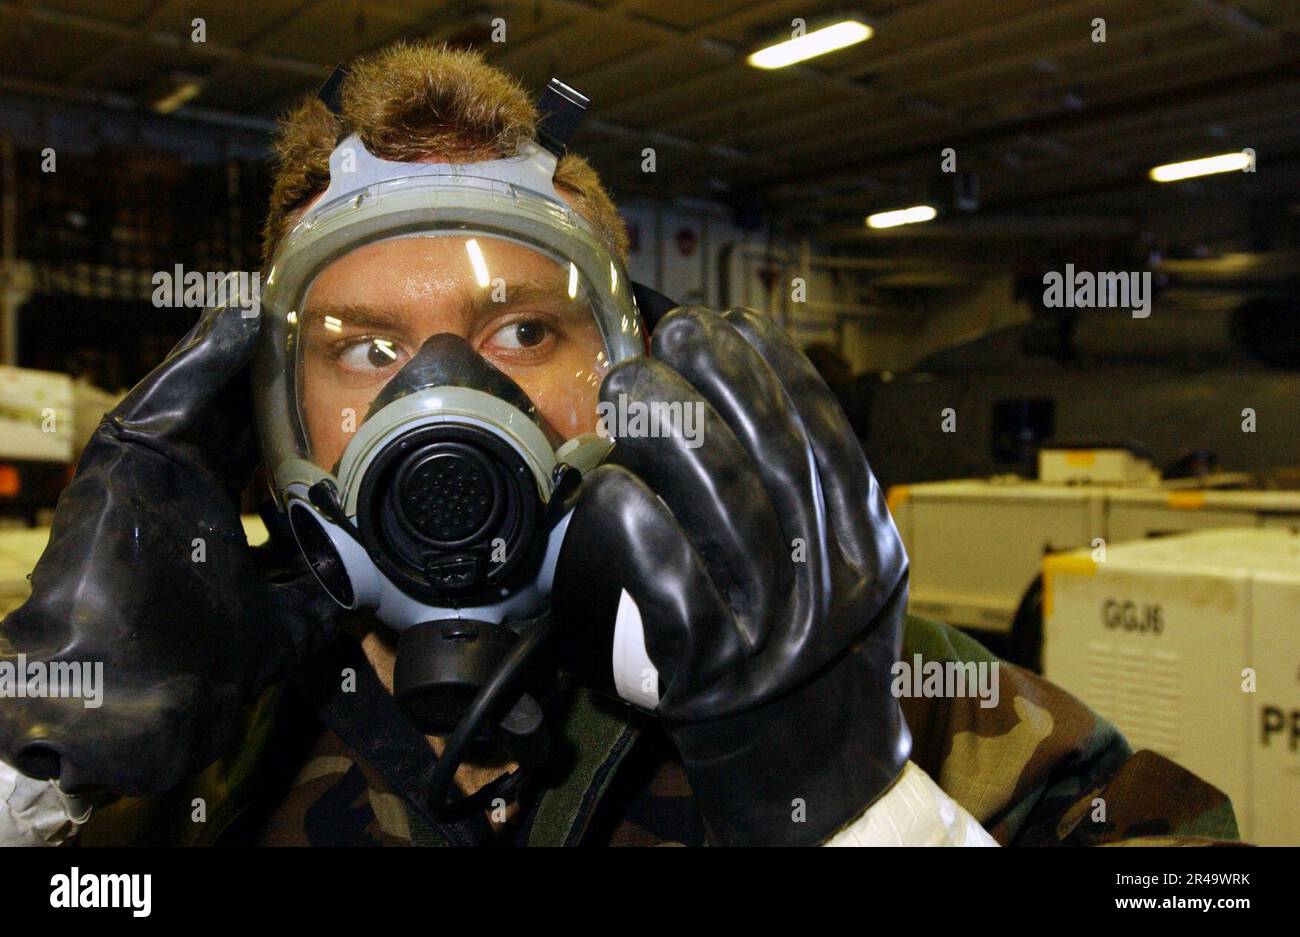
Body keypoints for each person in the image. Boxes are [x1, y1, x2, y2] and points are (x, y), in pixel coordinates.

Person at [0, 43, 1236, 847]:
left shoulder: (860, 680)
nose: (445, 399)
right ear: (263, 410)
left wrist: (859, 804)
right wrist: (35, 770)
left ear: (634, 368)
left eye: (525, 328)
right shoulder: (158, 735)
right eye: (366, 348)